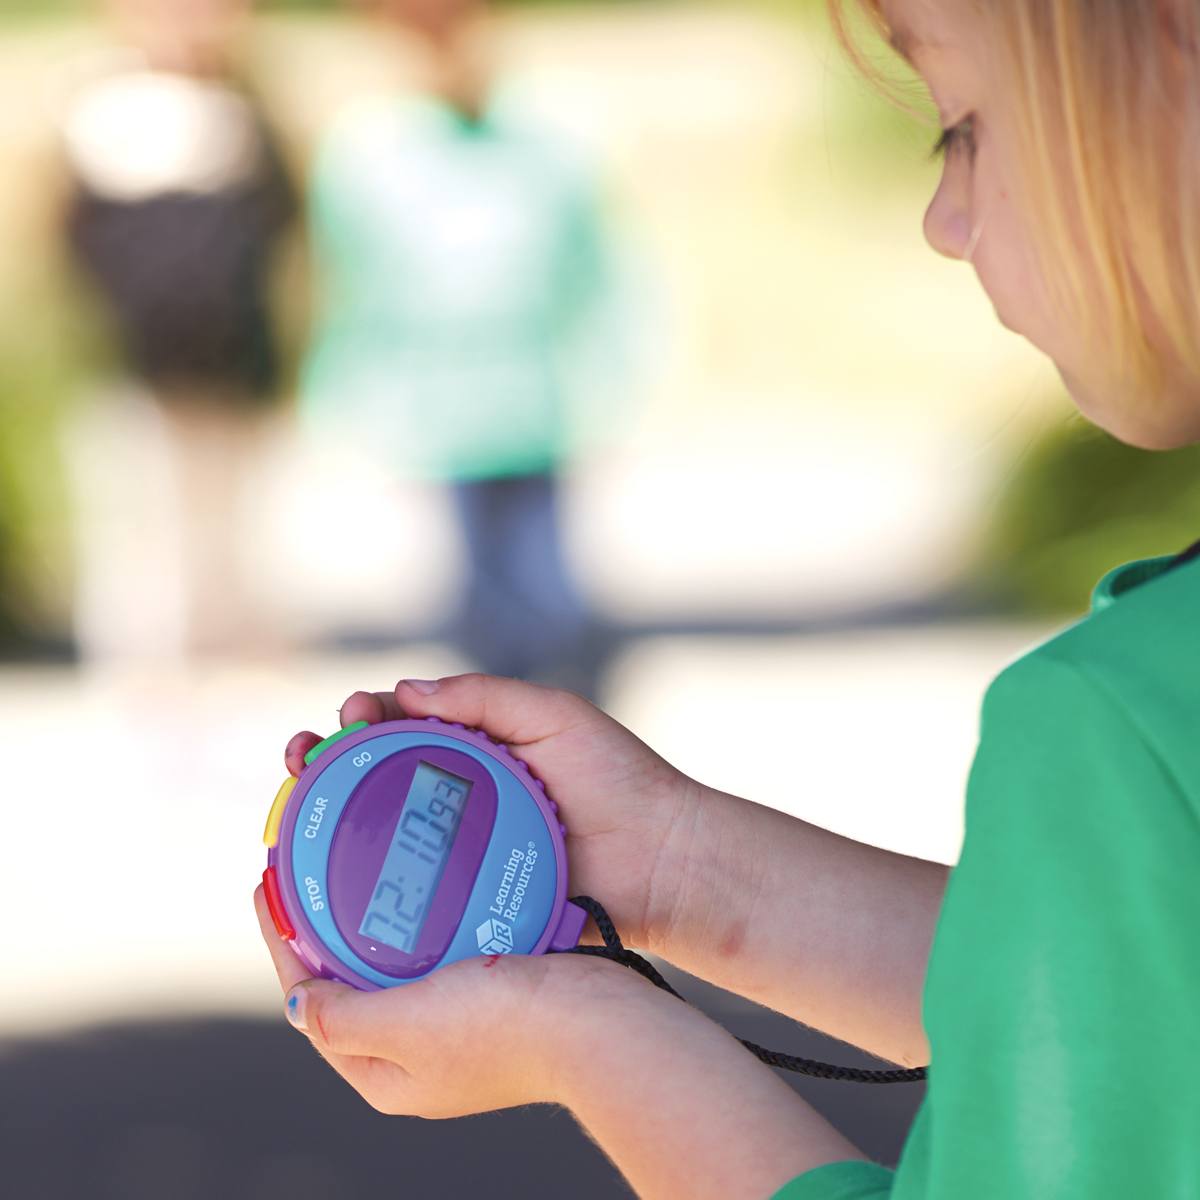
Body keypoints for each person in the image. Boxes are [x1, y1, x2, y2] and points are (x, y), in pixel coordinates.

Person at [254, 0, 1200, 1196]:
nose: (944, 219)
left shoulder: (1110, 739)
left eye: (961, 126)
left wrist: (593, 1037)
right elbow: (1129, 1020)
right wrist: (677, 865)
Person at [302, 0, 630, 698]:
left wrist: (615, 376)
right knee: (477, 610)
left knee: (550, 592)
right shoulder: (368, 148)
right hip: (440, 408)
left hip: (533, 399)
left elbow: (592, 266)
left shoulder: (547, 131)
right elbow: (352, 285)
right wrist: (345, 395)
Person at [58, 0, 297, 663]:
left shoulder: (246, 110)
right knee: (142, 534)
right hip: (140, 364)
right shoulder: (100, 110)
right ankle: (151, 673)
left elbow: (279, 231)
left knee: (229, 536)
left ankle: (227, 662)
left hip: (232, 362)